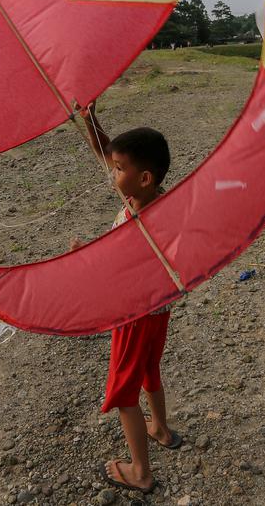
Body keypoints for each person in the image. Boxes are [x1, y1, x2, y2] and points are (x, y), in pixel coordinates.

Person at [72, 102, 181, 495]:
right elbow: (105, 152)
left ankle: (140, 472)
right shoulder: (153, 199)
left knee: (123, 392)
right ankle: (161, 429)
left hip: (134, 315)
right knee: (150, 369)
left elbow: (113, 271)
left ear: (145, 177)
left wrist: (84, 255)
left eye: (119, 169)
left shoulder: (143, 224)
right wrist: (90, 122)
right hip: (158, 311)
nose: (112, 172)